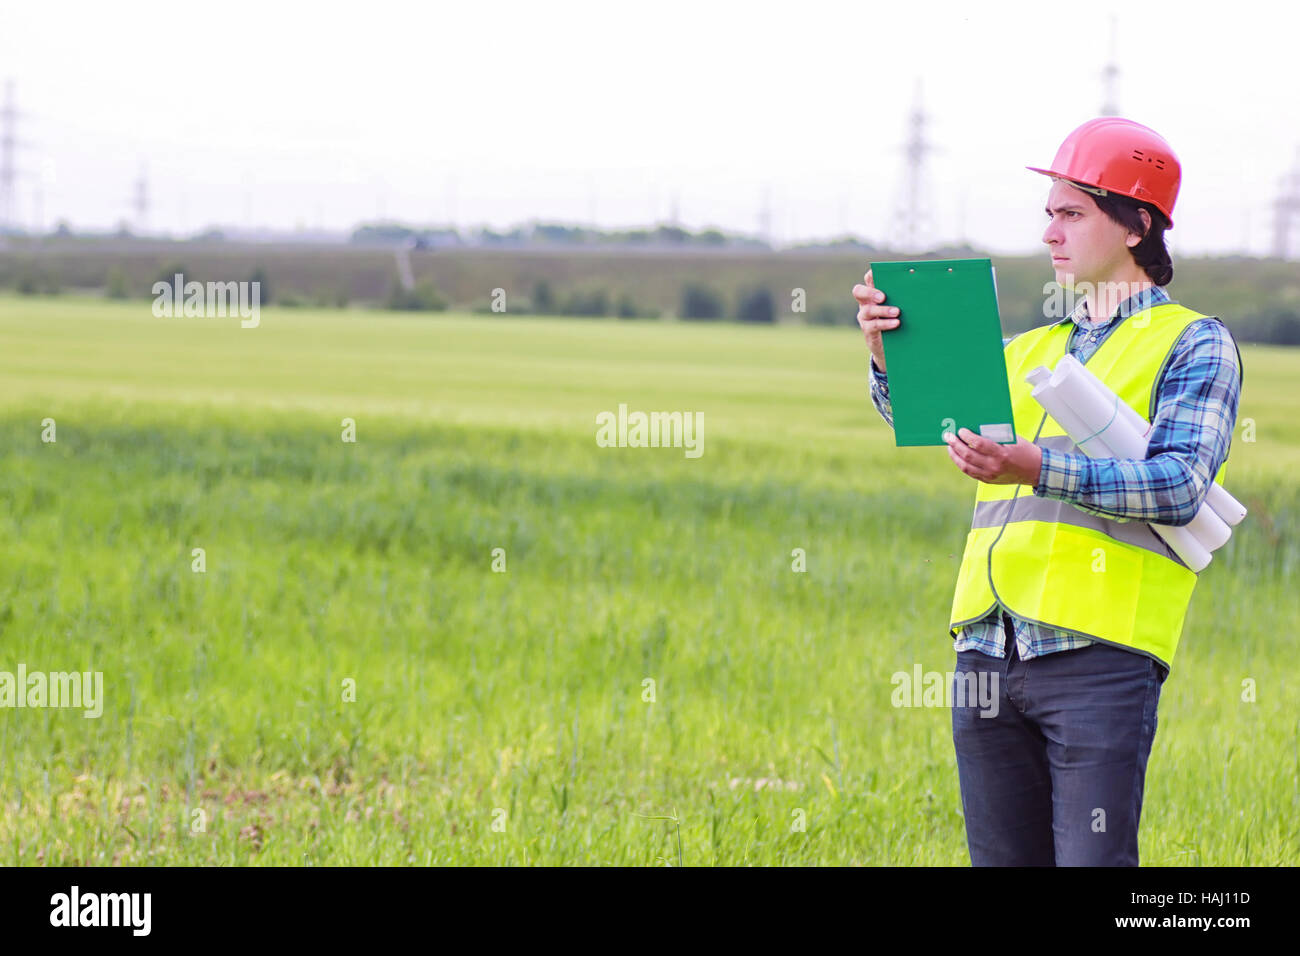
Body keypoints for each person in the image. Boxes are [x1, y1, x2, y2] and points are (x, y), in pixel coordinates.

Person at [853, 117, 1243, 866]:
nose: (1050, 234)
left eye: (1071, 213)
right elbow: (923, 411)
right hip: (987, 653)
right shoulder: (1026, 350)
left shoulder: (1193, 342)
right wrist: (885, 355)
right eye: (1049, 214)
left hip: (1099, 660)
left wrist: (1036, 469)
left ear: (1136, 225)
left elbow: (1181, 485)